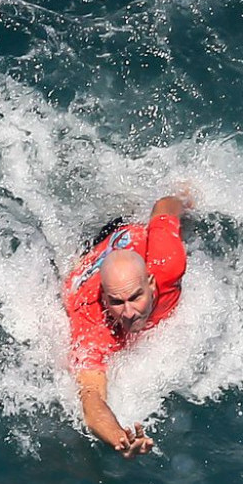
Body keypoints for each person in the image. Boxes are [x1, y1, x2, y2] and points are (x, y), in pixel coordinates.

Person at [62, 192, 193, 458]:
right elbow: (91, 398)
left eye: (136, 297)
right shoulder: (92, 322)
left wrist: (189, 198)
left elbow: (164, 206)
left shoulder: (168, 264)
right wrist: (119, 438)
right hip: (96, 255)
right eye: (117, 303)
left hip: (130, 236)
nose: (130, 313)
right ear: (104, 299)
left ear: (152, 285)